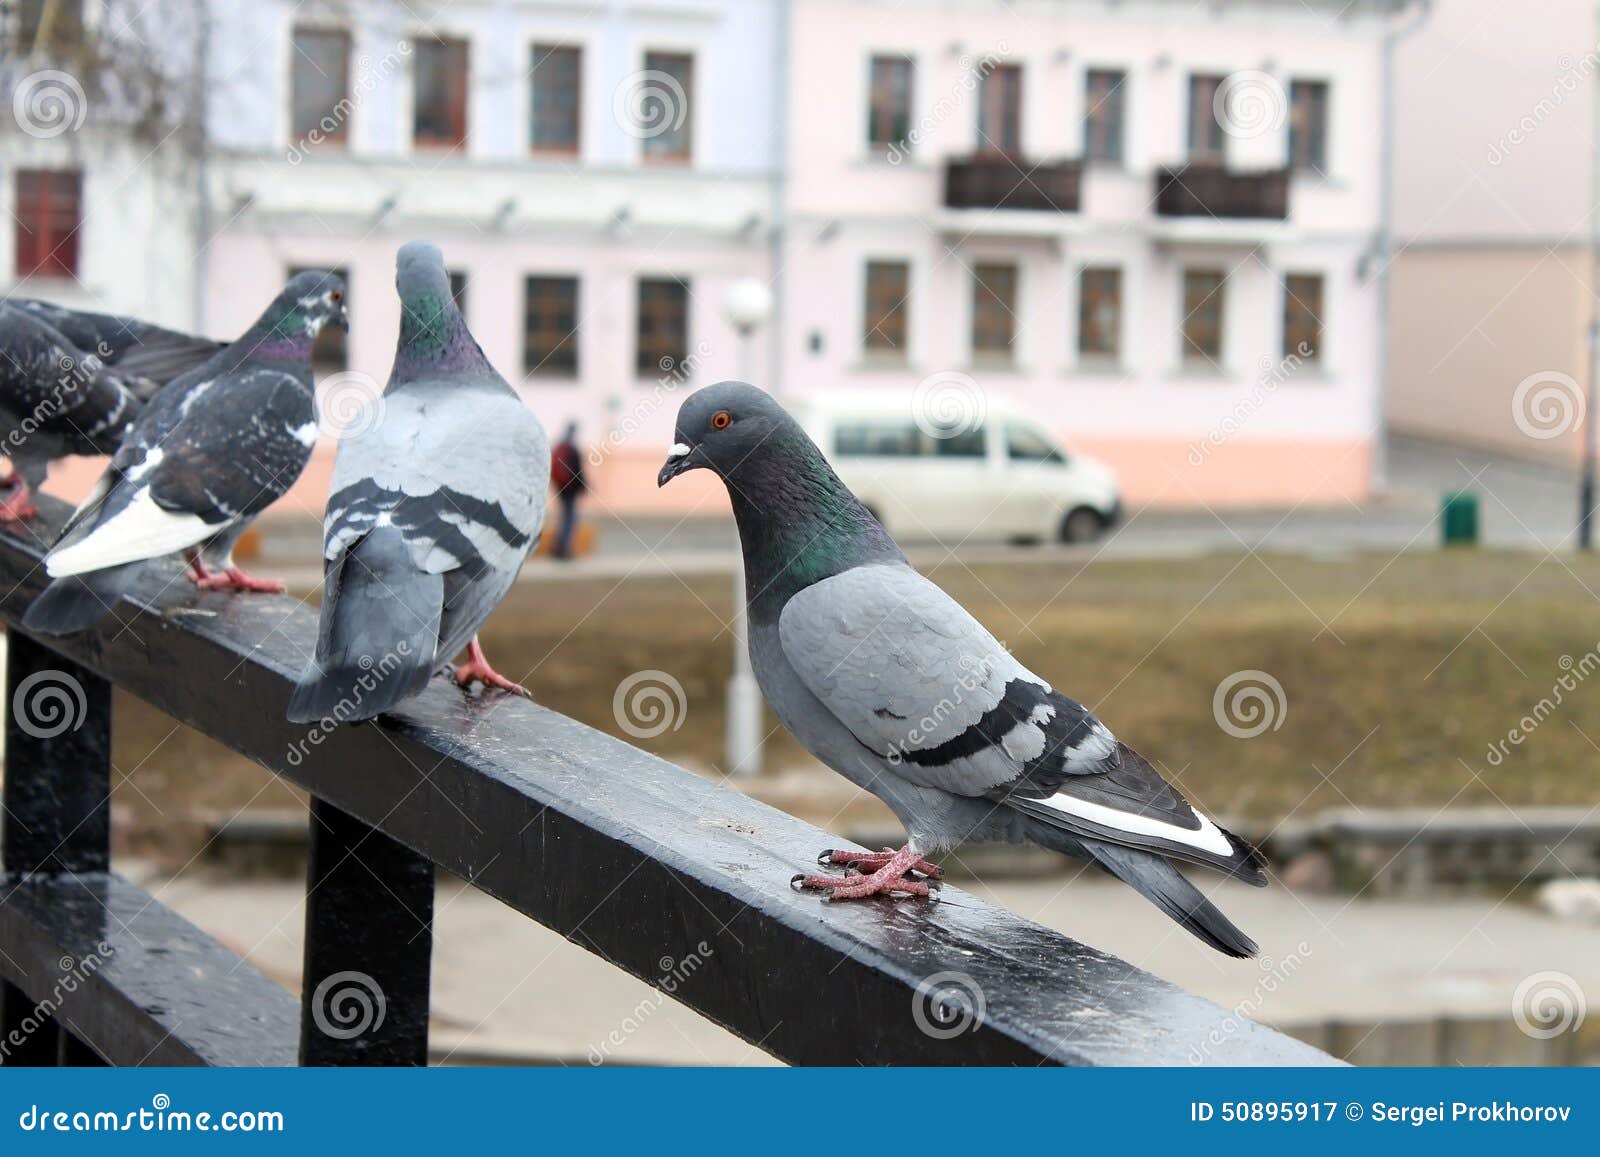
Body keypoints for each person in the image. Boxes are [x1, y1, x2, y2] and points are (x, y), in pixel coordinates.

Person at [550, 422, 586, 559]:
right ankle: (563, 549)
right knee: (569, 519)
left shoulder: (560, 445)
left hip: (561, 488)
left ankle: (557, 547)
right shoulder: (572, 448)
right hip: (570, 490)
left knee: (564, 518)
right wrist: (583, 486)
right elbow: (578, 472)